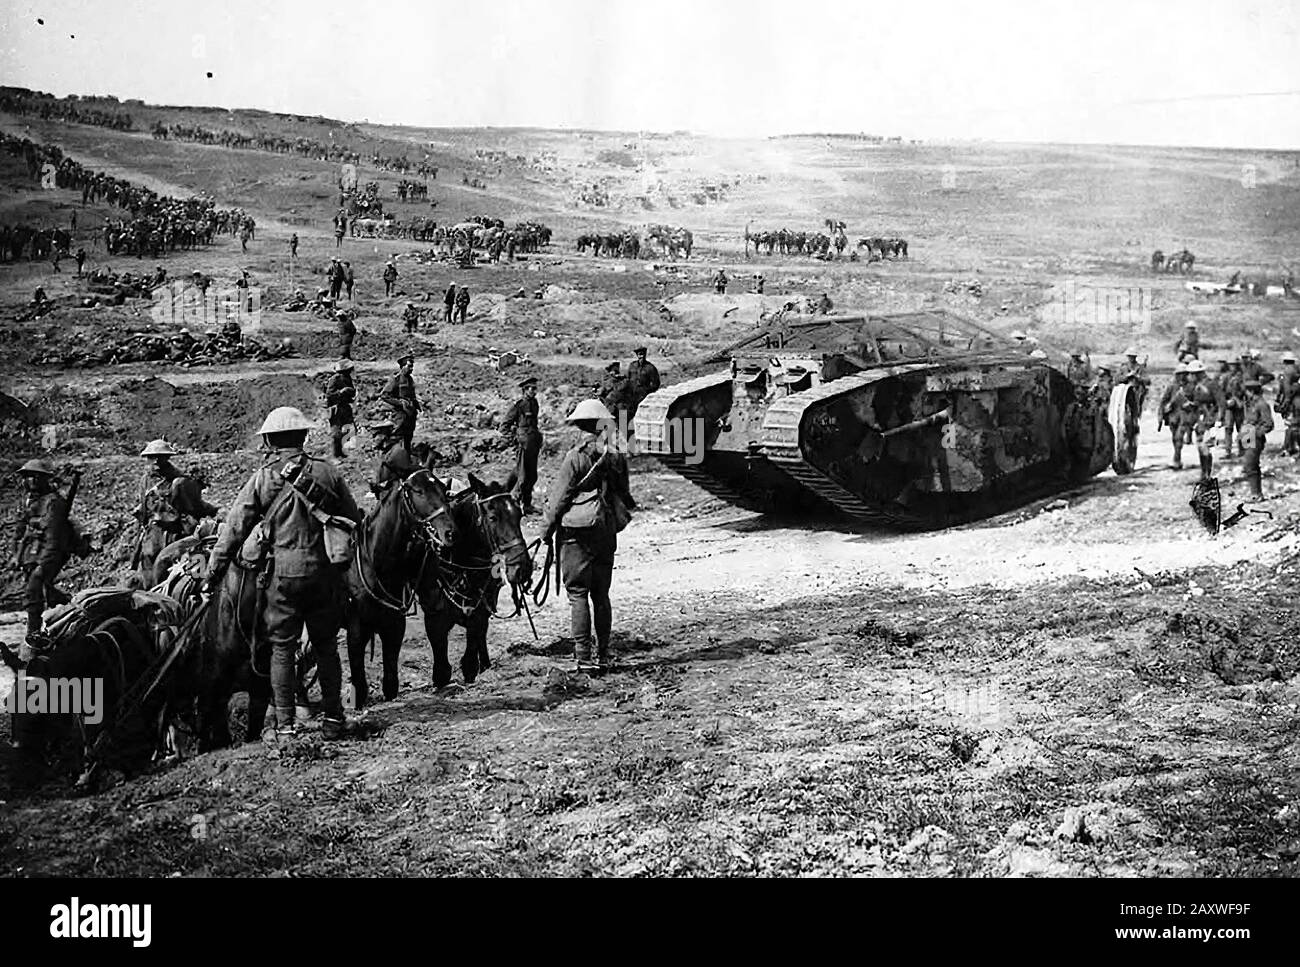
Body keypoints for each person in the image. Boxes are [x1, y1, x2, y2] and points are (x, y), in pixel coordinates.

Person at [203, 407, 362, 741]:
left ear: (271, 440)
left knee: (281, 649)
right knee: (326, 647)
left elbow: (234, 527)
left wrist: (214, 570)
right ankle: (334, 719)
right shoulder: (326, 473)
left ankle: (286, 727)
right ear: (303, 437)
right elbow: (351, 517)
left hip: (282, 578)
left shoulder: (263, 477)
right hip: (322, 575)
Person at [542, 399, 636, 674]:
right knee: (601, 594)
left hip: (577, 533)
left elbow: (559, 498)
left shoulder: (575, 457)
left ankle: (583, 657)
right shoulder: (617, 456)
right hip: (605, 529)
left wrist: (545, 531)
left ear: (580, 426)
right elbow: (626, 496)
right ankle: (604, 653)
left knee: (578, 593)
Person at [134, 439, 218, 584]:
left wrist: (212, 510)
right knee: (148, 568)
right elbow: (142, 508)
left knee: (187, 568)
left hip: (175, 532)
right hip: (153, 533)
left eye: (159, 456)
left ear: (167, 457)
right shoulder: (145, 480)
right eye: (151, 457)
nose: (155, 461)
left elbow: (195, 506)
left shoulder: (180, 480)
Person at [13, 459, 73, 644]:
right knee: (43, 589)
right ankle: (68, 607)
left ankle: (33, 634)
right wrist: (17, 555)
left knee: (34, 588)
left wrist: (43, 565)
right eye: (27, 476)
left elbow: (53, 540)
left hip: (51, 552)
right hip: (32, 551)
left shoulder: (54, 503)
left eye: (34, 476)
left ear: (43, 479)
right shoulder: (31, 500)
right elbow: (20, 530)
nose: (29, 480)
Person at [500, 375, 542, 514]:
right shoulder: (519, 405)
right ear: (525, 390)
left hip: (533, 443)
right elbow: (504, 426)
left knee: (532, 475)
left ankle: (527, 504)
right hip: (523, 444)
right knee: (522, 476)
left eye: (535, 389)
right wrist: (514, 440)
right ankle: (515, 504)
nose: (534, 391)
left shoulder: (535, 403)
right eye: (532, 389)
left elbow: (534, 424)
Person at [380, 351, 420, 451]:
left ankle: (406, 453)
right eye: (409, 366)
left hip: (410, 411)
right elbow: (384, 395)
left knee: (409, 433)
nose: (411, 369)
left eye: (412, 367)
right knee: (398, 433)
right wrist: (400, 403)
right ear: (402, 367)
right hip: (399, 412)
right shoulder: (395, 380)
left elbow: (411, 394)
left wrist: (416, 403)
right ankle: (393, 453)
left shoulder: (410, 379)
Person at [1241, 380, 1273, 497]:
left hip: (1255, 439)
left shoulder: (1262, 404)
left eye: (1247, 391)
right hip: (1247, 437)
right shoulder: (1250, 403)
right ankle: (1254, 492)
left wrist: (1255, 433)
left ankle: (1256, 494)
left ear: (1252, 391)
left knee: (1251, 465)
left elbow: (1268, 425)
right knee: (1249, 465)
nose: (1245, 393)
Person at [1158, 361, 1190, 469]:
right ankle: (1177, 457)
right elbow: (1163, 401)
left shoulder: (1190, 387)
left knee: (1179, 437)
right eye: (1180, 374)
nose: (1182, 376)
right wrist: (1161, 414)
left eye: (1184, 374)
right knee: (1174, 438)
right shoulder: (1172, 387)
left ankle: (1176, 459)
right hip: (1173, 417)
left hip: (1185, 416)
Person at [369, 421, 415, 494]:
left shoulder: (397, 451)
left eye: (375, 435)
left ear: (383, 436)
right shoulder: (384, 453)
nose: (373, 439)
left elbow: (406, 475)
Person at [325, 360, 356, 460]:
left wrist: (351, 392)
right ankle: (335, 454)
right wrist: (342, 392)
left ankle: (340, 451)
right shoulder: (334, 379)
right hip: (336, 409)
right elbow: (329, 395)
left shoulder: (347, 379)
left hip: (345, 407)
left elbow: (352, 391)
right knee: (336, 433)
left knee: (348, 430)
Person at [627, 346, 661, 415]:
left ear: (645, 355)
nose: (641, 357)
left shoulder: (650, 367)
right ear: (637, 355)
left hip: (644, 395)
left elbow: (656, 383)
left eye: (642, 354)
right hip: (631, 394)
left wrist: (647, 391)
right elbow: (628, 378)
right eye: (639, 354)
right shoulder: (632, 366)